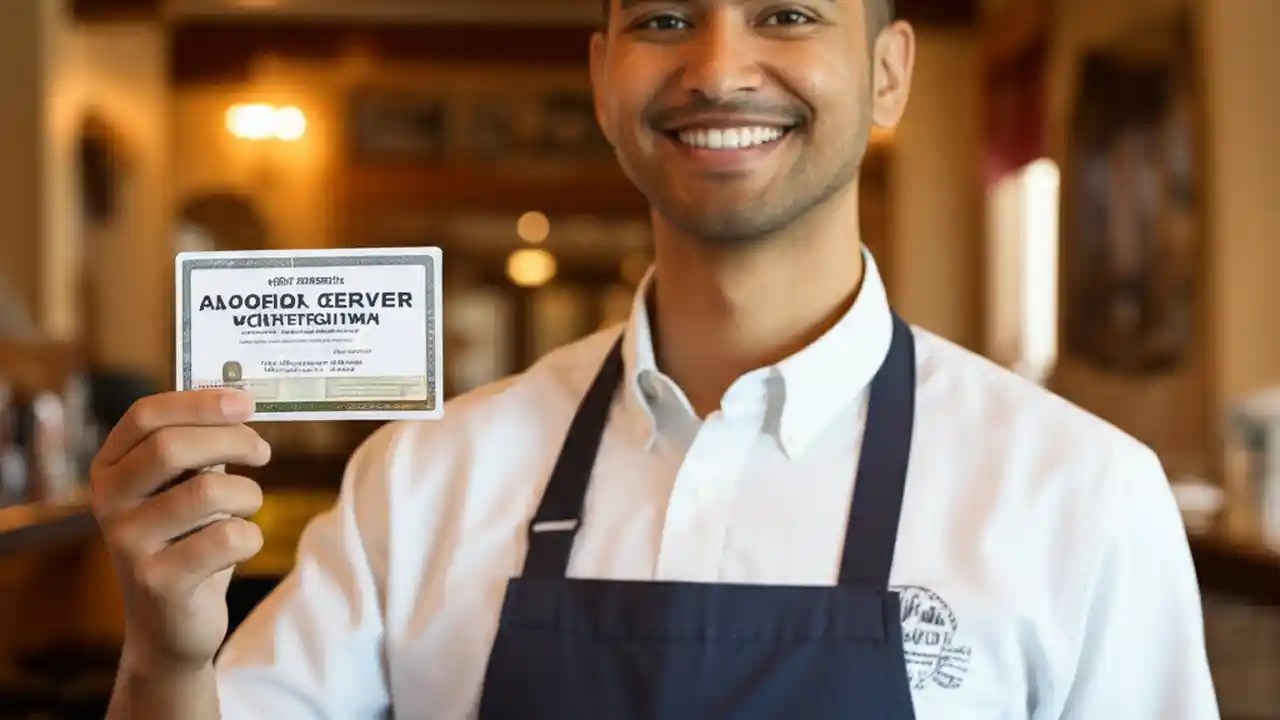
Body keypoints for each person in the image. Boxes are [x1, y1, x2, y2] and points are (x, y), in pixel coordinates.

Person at [91, 0, 1221, 718]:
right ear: (602, 78)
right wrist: (166, 661)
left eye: (786, 13)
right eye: (666, 18)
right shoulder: (422, 476)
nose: (718, 67)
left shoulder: (1082, 496)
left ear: (887, 72)